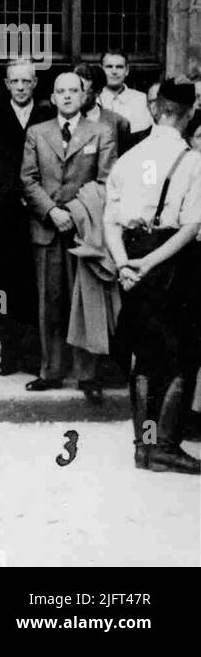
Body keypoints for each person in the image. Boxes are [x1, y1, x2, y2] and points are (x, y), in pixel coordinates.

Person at [103, 80, 201, 474]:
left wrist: (127, 263)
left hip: (134, 255)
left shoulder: (129, 157)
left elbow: (110, 221)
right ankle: (165, 445)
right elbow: (191, 227)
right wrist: (151, 263)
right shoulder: (192, 161)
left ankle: (143, 447)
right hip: (175, 263)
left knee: (144, 355)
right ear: (189, 113)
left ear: (156, 111)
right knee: (183, 354)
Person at [21, 70, 118, 402]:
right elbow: (28, 180)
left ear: (84, 95)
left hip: (83, 231)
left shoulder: (101, 132)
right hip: (47, 228)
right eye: (60, 91)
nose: (66, 96)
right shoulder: (37, 132)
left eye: (73, 91)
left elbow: (106, 182)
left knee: (85, 302)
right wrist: (51, 211)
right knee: (50, 302)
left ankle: (87, 374)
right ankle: (51, 371)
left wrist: (74, 212)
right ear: (53, 97)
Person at [0, 58, 52, 376]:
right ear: (6, 85)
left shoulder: (47, 116)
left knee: (35, 286)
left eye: (26, 81)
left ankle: (34, 355)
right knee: (4, 288)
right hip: (5, 216)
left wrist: (35, 199)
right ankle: (8, 353)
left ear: (34, 83)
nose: (21, 87)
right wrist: (18, 193)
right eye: (15, 82)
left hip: (38, 216)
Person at [73, 62, 134, 155]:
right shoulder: (57, 120)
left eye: (82, 90)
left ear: (98, 92)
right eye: (73, 89)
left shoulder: (118, 123)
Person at [98, 49, 152, 134]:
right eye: (109, 67)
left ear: (127, 70)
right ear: (101, 70)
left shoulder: (140, 99)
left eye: (119, 67)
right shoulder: (94, 99)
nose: (114, 71)